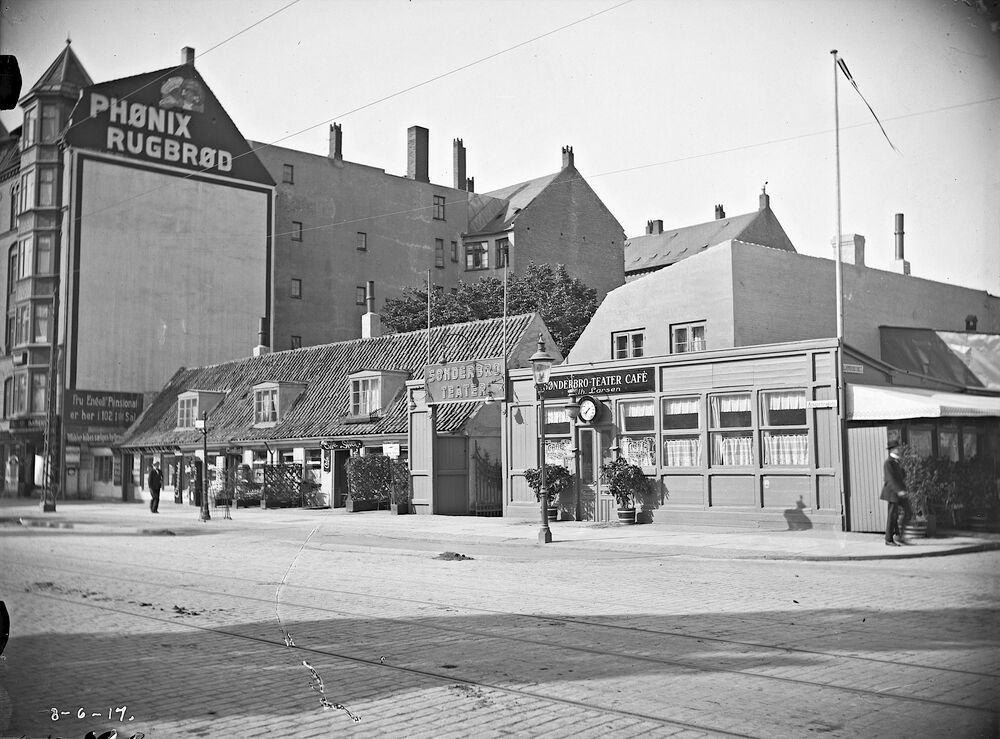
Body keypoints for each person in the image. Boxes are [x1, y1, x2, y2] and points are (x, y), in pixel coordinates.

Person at [880, 440, 911, 545]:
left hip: (900, 492)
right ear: (892, 449)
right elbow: (890, 479)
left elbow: (902, 477)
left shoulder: (897, 461)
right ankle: (888, 539)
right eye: (897, 448)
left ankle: (899, 535)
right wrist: (899, 491)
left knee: (908, 512)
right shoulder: (888, 463)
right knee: (892, 515)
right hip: (892, 492)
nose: (899, 449)